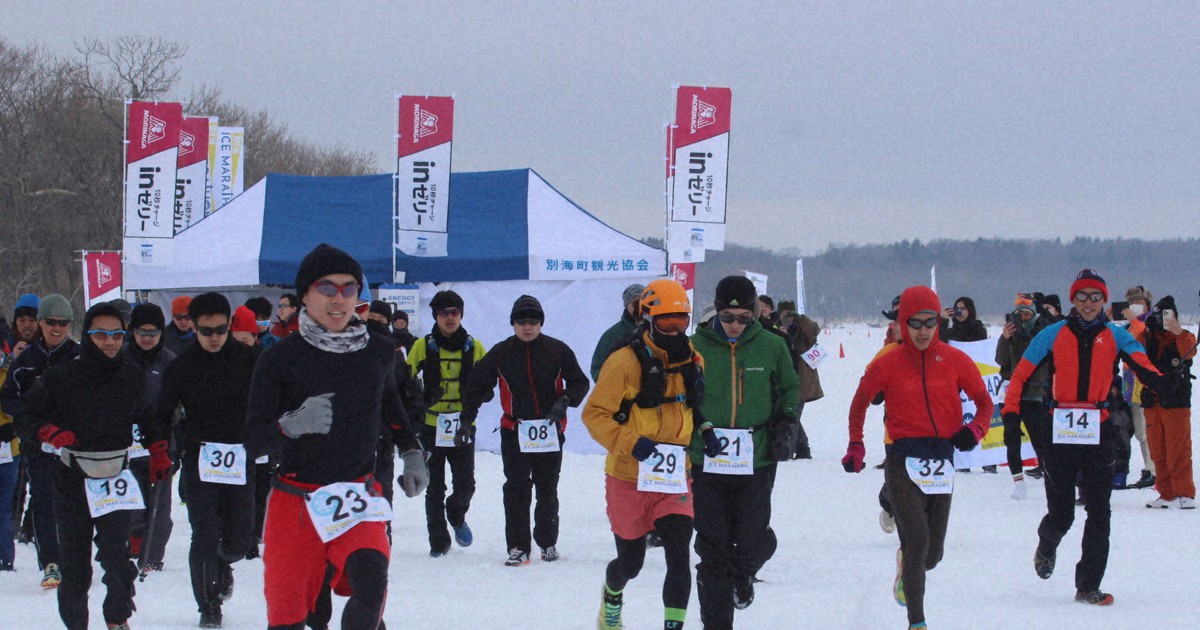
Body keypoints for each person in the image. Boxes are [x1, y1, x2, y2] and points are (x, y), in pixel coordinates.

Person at [245, 243, 428, 630]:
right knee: (289, 619)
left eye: (349, 288)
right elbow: (253, 440)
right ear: (305, 296)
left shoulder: (378, 351)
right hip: (295, 504)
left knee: (371, 583)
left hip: (356, 497)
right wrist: (290, 424)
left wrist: (412, 450)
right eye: (327, 288)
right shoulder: (278, 358)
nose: (339, 298)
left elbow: (390, 404)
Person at [1002, 269, 1180, 606]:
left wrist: (1166, 380)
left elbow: (1144, 368)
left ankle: (1088, 585)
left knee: (1100, 511)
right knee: (1063, 514)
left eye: (1095, 297)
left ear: (1103, 301)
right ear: (1073, 299)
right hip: (1059, 431)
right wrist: (1011, 412)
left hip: (1098, 430)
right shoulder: (1052, 334)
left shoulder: (1116, 336)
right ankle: (1047, 543)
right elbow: (1021, 373)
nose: (1088, 303)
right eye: (1082, 296)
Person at [843, 285, 993, 630]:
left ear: (939, 323)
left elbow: (985, 404)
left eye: (930, 323)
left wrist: (974, 431)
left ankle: (906, 562)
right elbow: (859, 402)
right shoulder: (888, 361)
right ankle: (917, 622)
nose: (923, 331)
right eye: (914, 323)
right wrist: (856, 444)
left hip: (941, 459)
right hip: (902, 459)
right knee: (917, 539)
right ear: (901, 324)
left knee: (931, 555)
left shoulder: (956, 360)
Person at [21, 302, 170, 630]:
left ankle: (117, 618)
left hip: (115, 475)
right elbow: (27, 415)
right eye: (101, 334)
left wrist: (158, 448)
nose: (109, 342)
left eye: (116, 334)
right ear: (87, 336)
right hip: (72, 476)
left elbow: (146, 414)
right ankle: (77, 624)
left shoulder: (130, 374)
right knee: (75, 566)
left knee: (117, 560)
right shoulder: (63, 375)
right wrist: (49, 432)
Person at [583, 279, 701, 630]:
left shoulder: (694, 359)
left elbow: (695, 407)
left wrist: (704, 431)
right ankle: (612, 595)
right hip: (628, 475)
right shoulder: (622, 362)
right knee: (630, 563)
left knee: (679, 553)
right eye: (666, 322)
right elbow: (594, 415)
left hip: (674, 474)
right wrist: (631, 441)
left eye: (681, 321)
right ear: (648, 319)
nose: (675, 329)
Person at [688, 276, 799, 629]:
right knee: (712, 550)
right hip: (707, 460)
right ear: (715, 313)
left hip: (757, 459)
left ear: (753, 314)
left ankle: (741, 575)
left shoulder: (772, 346)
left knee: (756, 539)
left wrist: (786, 422)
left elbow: (790, 387)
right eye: (727, 317)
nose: (734, 325)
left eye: (742, 318)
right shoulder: (693, 348)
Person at [461, 295, 589, 566]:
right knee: (516, 489)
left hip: (550, 430)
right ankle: (518, 546)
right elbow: (475, 384)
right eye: (521, 321)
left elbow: (580, 382)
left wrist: (565, 400)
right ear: (513, 324)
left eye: (533, 321)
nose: (527, 327)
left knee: (547, 488)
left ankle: (547, 542)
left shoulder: (557, 350)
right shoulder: (501, 352)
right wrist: (468, 416)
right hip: (514, 429)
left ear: (541, 323)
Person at [158, 292, 260, 627]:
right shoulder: (182, 366)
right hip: (199, 457)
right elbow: (161, 413)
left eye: (220, 329)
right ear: (194, 328)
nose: (214, 337)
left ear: (229, 325)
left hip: (240, 455)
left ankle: (223, 561)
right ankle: (207, 604)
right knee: (204, 531)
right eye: (206, 331)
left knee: (241, 538)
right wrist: (161, 447)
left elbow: (271, 403)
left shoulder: (250, 359)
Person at [1, 294, 79, 588]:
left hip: (74, 445)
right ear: (40, 323)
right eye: (50, 322)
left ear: (70, 325)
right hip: (39, 446)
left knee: (74, 503)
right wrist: (32, 422)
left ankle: (75, 556)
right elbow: (8, 398)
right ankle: (51, 563)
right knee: (44, 500)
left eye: (63, 323)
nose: (56, 328)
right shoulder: (26, 360)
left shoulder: (80, 357)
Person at [406, 290, 487, 558]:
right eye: (444, 313)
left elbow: (487, 381)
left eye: (454, 312)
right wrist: (422, 398)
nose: (450, 318)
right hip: (431, 426)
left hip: (463, 426)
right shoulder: (422, 346)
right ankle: (438, 543)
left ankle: (456, 514)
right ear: (435, 316)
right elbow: (404, 381)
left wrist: (479, 395)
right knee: (434, 487)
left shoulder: (474, 346)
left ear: (461, 314)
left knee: (466, 485)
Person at [1127, 295, 1195, 509]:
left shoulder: (1184, 337)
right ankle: (1165, 493)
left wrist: (1178, 331)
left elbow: (1191, 352)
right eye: (1159, 315)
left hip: (1176, 401)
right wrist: (1140, 325)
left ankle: (1184, 493)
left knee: (1179, 449)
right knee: (1157, 450)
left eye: (1166, 315)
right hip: (1152, 400)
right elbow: (1134, 354)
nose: (1162, 320)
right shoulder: (1147, 337)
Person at [125, 303, 177, 576]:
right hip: (126, 443)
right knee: (131, 499)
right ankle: (133, 546)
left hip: (161, 442)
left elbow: (179, 407)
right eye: (142, 332)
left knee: (160, 502)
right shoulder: (120, 357)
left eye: (153, 332)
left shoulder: (169, 361)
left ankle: (153, 556)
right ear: (132, 332)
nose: (147, 337)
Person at [995, 294, 1051, 500]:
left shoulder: (1041, 333)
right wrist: (1005, 338)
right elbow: (1000, 360)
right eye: (1020, 315)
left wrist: (1026, 338)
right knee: (1011, 437)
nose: (1024, 318)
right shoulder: (1010, 335)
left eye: (1027, 314)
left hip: (1033, 393)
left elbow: (1042, 360)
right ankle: (1018, 482)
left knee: (1039, 438)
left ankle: (1049, 476)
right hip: (1009, 392)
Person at [1114, 286, 1157, 490]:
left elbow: (1144, 335)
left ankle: (1153, 470)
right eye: (1131, 303)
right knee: (1134, 429)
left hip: (1142, 379)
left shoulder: (1150, 322)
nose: (1135, 307)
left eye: (1139, 303)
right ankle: (1149, 469)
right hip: (1130, 379)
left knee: (1143, 429)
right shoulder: (1129, 326)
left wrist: (1133, 319)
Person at [778, 299, 823, 460]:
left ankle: (788, 451)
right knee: (791, 416)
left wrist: (800, 318)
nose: (787, 318)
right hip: (784, 382)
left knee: (793, 417)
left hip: (801, 382)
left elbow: (815, 329)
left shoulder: (803, 330)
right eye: (783, 314)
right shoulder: (777, 330)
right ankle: (803, 448)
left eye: (790, 314)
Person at [589, 283, 645, 382]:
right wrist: (614, 384)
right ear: (627, 305)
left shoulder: (659, 329)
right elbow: (597, 369)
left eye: (643, 303)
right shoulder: (612, 335)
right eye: (635, 303)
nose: (640, 308)